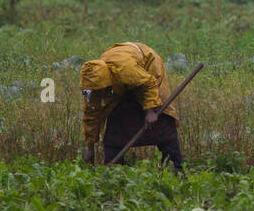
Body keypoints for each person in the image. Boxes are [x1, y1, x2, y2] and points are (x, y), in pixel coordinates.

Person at [79, 41, 185, 174]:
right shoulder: (92, 87)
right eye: (96, 91)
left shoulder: (125, 69)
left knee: (161, 119)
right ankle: (115, 171)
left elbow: (149, 83)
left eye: (101, 91)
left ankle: (176, 167)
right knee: (117, 125)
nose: (99, 94)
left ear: (108, 83)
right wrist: (90, 148)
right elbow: (91, 115)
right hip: (124, 78)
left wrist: (150, 111)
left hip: (148, 67)